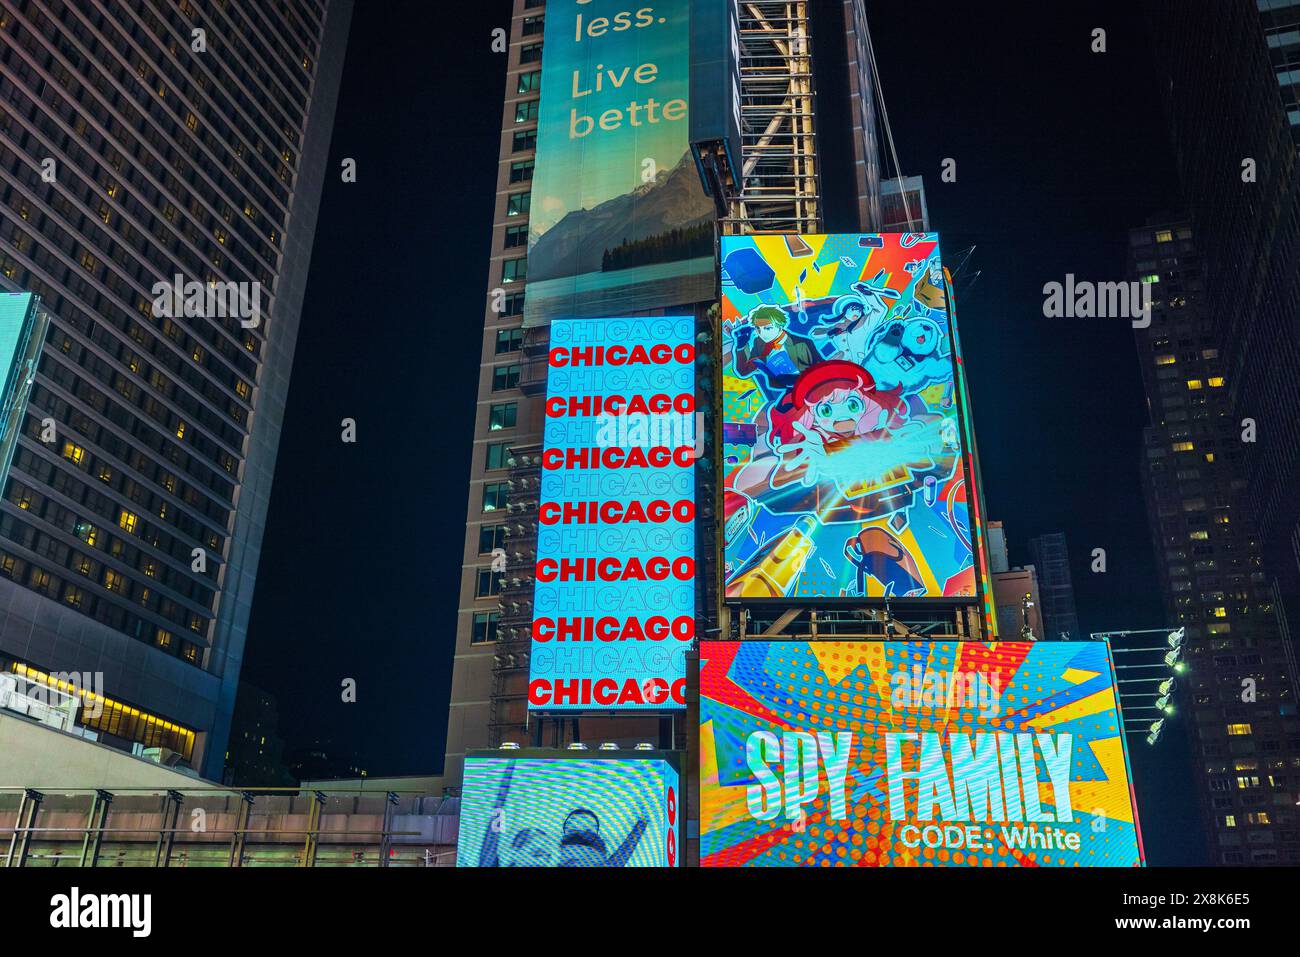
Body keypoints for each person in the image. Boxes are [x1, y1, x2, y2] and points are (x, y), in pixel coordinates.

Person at [732, 304, 820, 392]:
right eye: (758, 329)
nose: (762, 333)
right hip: (784, 392)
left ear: (780, 325)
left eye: (768, 328)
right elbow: (743, 371)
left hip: (809, 389)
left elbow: (822, 370)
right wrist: (741, 347)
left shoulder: (802, 343)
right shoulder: (759, 343)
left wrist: (798, 379)